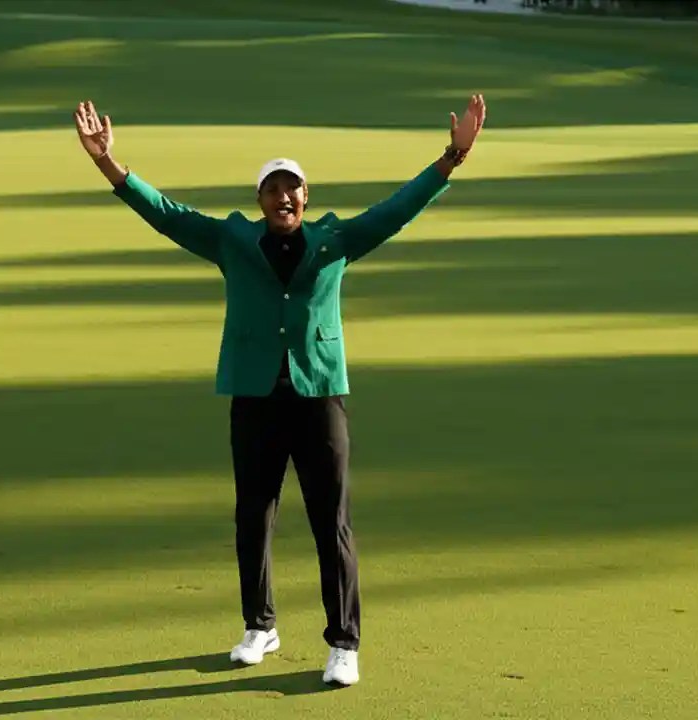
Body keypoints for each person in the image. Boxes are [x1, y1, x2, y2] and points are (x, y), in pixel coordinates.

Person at [72, 94, 486, 687]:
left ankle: (344, 642)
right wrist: (108, 164)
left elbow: (397, 209)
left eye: (293, 188)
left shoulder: (336, 240)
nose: (284, 197)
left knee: (330, 521)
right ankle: (259, 626)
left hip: (318, 396)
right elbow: (164, 212)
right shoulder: (231, 242)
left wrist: (453, 156)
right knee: (253, 517)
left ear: (306, 198)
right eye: (273, 188)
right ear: (260, 198)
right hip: (255, 396)